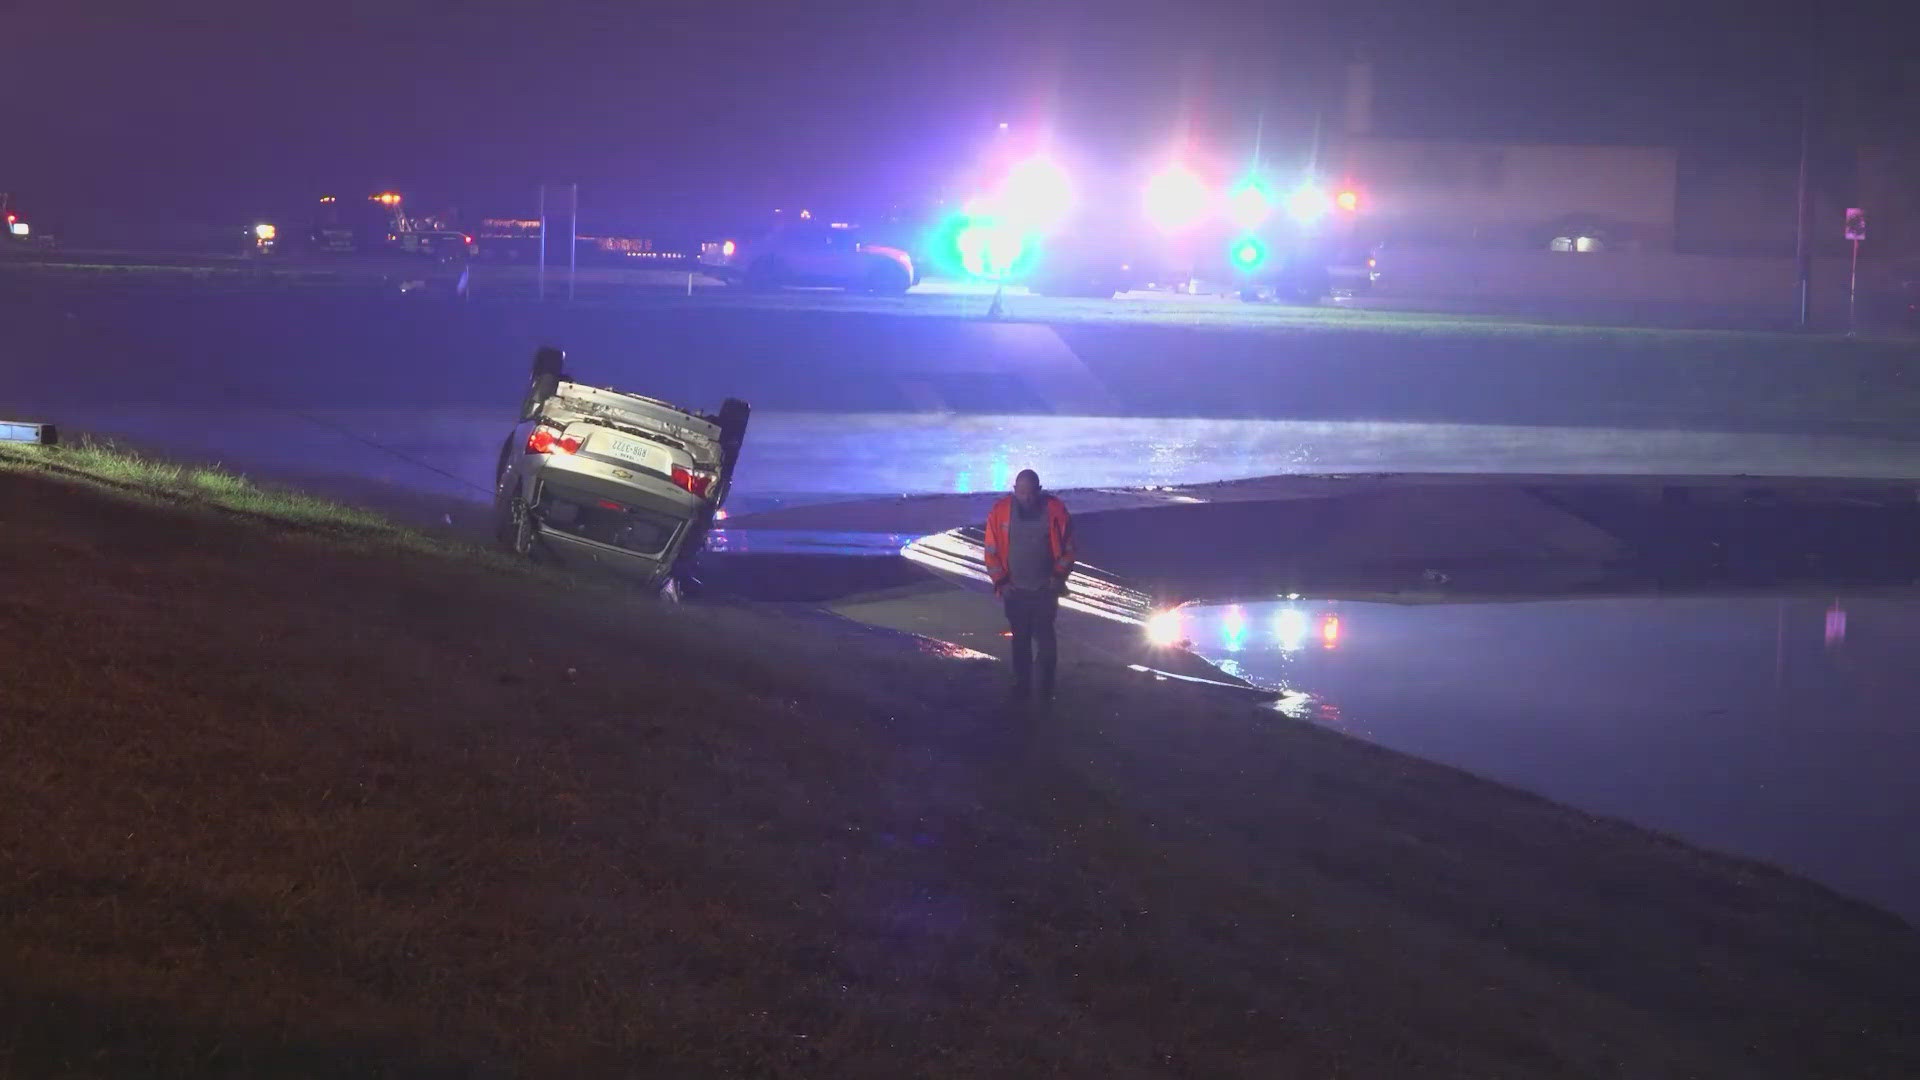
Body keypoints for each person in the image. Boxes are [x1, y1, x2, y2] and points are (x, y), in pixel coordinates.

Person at [983, 469, 1075, 703]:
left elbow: (1069, 550)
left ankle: (1046, 690)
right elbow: (991, 552)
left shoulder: (1055, 510)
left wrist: (1058, 577)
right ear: (1014, 490)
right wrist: (1001, 582)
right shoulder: (1000, 511)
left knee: (1046, 643)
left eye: (1030, 492)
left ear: (1039, 490)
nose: (1026, 497)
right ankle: (1021, 687)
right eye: (1021, 492)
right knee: (1020, 642)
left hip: (1045, 590)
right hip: (1015, 591)